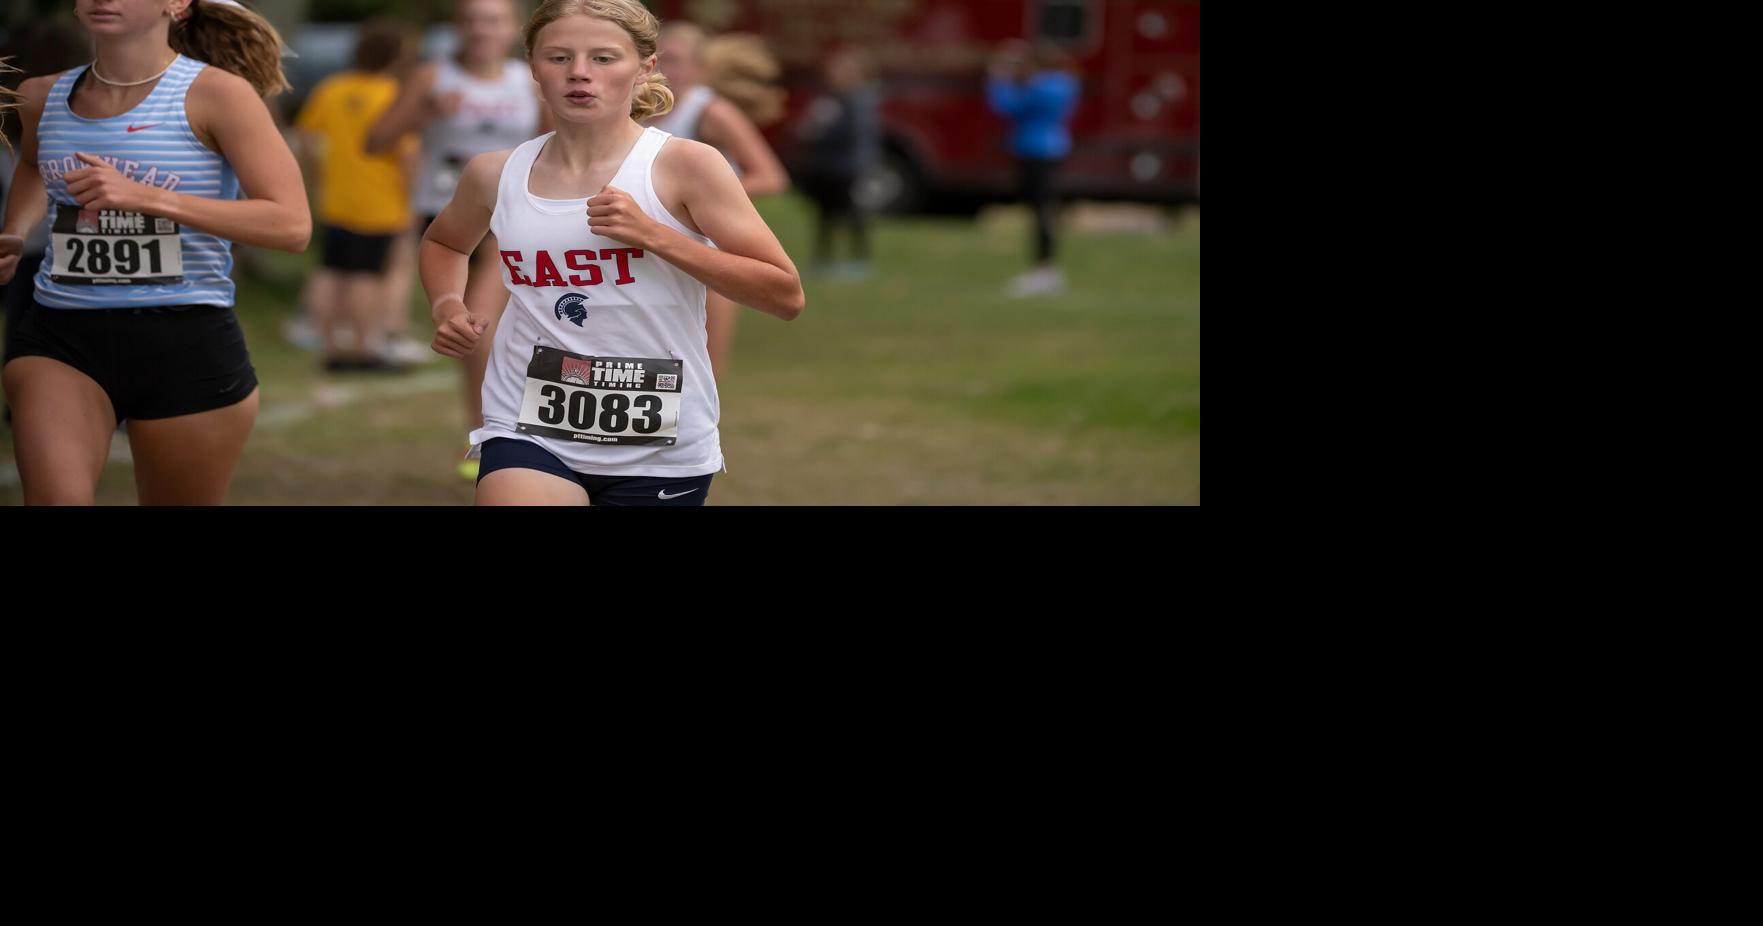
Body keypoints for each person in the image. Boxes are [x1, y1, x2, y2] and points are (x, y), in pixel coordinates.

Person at [422, 0, 803, 506]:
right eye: (559, 58)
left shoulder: (686, 166)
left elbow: (784, 294)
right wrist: (448, 303)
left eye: (603, 58)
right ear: (533, 66)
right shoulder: (495, 173)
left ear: (645, 67)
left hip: (660, 445)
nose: (579, 73)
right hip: (528, 428)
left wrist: (655, 235)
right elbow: (445, 241)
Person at [0, 0, 311, 505]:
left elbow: (292, 224)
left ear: (176, 4)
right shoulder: (40, 96)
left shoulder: (220, 95)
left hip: (186, 338)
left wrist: (147, 197)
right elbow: (35, 166)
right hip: (60, 332)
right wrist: (15, 230)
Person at [366, 0, 546, 478]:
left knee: (482, 329)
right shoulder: (433, 76)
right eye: (470, 20)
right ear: (457, 28)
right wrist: (423, 113)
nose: (481, 29)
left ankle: (500, 439)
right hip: (447, 219)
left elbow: (554, 143)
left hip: (509, 219)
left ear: (512, 28)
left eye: (492, 20)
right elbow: (375, 140)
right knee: (475, 335)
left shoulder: (528, 80)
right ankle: (490, 438)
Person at [647, 21, 786, 379]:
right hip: (654, 250)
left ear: (699, 70)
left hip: (711, 253)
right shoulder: (640, 109)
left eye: (674, 60)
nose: (664, 69)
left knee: (702, 370)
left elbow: (770, 176)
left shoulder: (712, 112)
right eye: (657, 58)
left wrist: (700, 202)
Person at [293, 18, 419, 372]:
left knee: (332, 270)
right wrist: (414, 197)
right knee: (367, 274)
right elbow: (407, 154)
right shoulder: (393, 96)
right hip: (380, 200)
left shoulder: (332, 88)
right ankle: (366, 349)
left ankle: (331, 345)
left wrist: (317, 176)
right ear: (396, 57)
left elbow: (304, 135)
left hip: (336, 197)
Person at [987, 39, 1079, 297]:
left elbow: (1005, 106)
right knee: (1043, 210)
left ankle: (1043, 270)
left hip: (1035, 150)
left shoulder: (1043, 86)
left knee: (1039, 211)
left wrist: (998, 77)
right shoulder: (1067, 83)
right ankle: (1044, 268)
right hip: (1054, 147)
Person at [795, 45, 880, 279]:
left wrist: (819, 131)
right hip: (827, 168)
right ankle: (824, 259)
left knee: (854, 214)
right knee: (825, 216)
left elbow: (850, 133)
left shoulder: (859, 101)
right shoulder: (831, 98)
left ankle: (859, 260)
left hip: (847, 168)